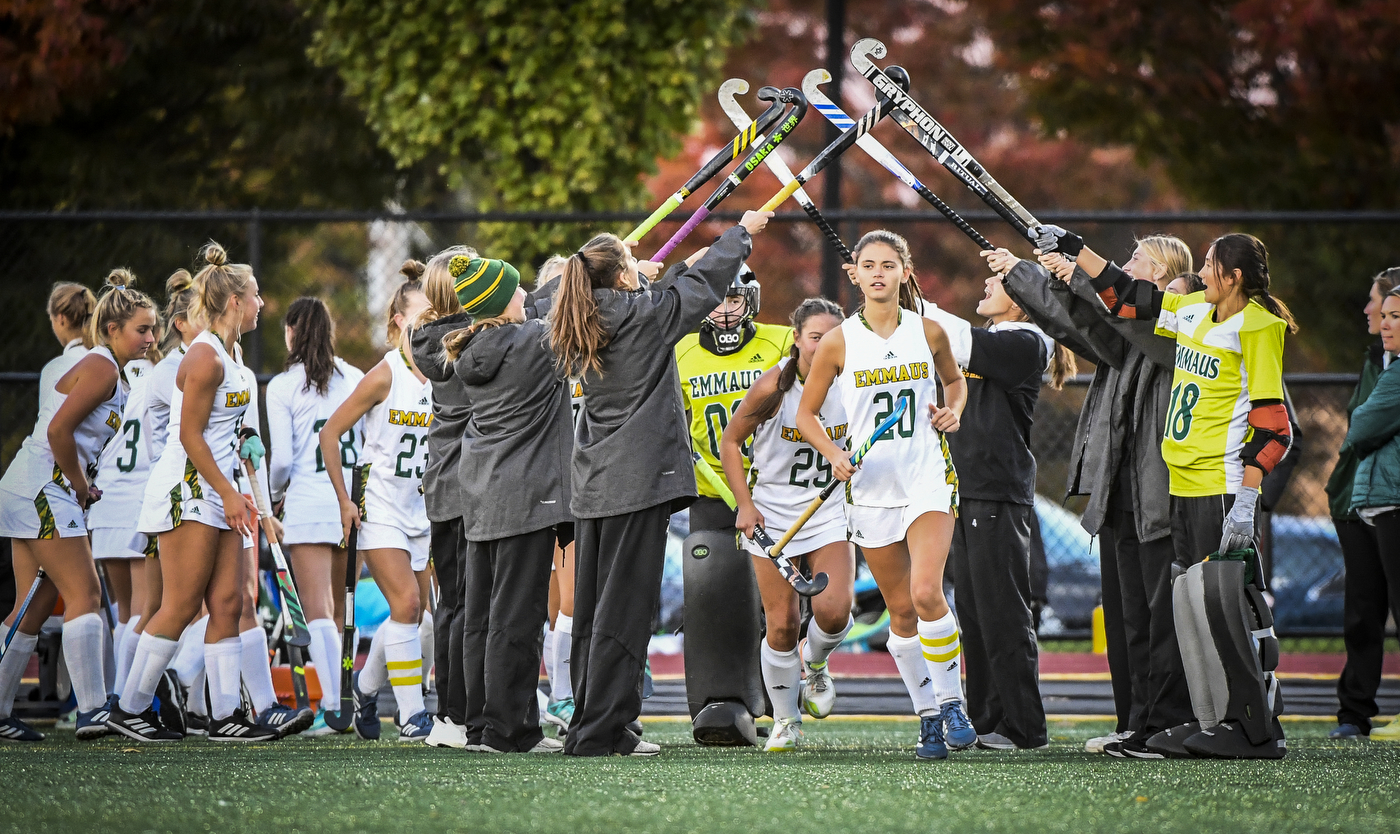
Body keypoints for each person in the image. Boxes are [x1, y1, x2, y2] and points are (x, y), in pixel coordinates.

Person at [1038, 227, 1294, 759]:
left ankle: (1253, 726)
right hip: (1184, 484)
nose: (1201, 271)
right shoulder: (1197, 311)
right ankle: (1209, 720)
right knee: (1189, 613)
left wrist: (1247, 498)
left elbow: (1275, 426)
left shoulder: (1258, 325)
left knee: (1224, 608)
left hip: (1221, 484)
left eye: (1210, 264)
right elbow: (1128, 299)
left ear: (1234, 276)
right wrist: (1074, 246)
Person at [549, 209, 772, 757]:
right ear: (623, 277)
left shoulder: (581, 310)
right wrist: (742, 233)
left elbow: (677, 283)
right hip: (635, 482)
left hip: (596, 484)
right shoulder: (643, 316)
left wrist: (640, 275)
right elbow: (696, 288)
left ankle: (596, 721)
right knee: (625, 611)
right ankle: (604, 731)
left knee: (595, 610)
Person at [994, 235, 1195, 757]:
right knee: (1130, 616)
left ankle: (1162, 724)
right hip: (1120, 491)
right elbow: (1080, 326)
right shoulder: (1125, 330)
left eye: (1134, 261)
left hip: (1159, 493)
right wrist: (1033, 276)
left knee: (1159, 616)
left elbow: (1114, 317)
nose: (1123, 266)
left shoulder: (1173, 324)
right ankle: (1135, 723)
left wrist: (1071, 272)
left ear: (1163, 276)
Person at [796, 230, 972, 761]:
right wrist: (832, 452)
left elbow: (955, 383)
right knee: (900, 614)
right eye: (868, 265)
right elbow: (806, 415)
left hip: (926, 479)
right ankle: (927, 719)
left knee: (925, 593)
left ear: (904, 272)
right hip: (870, 489)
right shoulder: (839, 341)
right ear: (854, 274)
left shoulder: (930, 331)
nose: (877, 273)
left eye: (888, 265)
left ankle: (953, 703)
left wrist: (953, 410)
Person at [109, 243, 275, 743]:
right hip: (189, 491)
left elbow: (225, 431)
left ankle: (225, 715)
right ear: (233, 304)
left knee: (226, 602)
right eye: (256, 295)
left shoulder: (229, 352)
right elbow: (188, 434)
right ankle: (129, 707)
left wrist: (240, 481)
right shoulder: (205, 357)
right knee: (180, 606)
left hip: (217, 490)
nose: (262, 303)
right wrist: (227, 492)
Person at [0, 271, 157, 742]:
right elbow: (56, 432)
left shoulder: (105, 366)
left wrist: (79, 481)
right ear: (112, 329)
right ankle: (93, 710)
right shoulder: (104, 366)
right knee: (86, 594)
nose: (151, 338)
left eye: (152, 328)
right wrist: (78, 485)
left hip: (32, 486)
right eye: (142, 329)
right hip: (42, 488)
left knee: (31, 608)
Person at [941, 259, 1077, 752]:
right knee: (975, 616)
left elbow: (949, 336)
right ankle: (986, 719)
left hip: (997, 493)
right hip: (968, 492)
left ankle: (1024, 728)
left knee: (1004, 615)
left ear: (1020, 299)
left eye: (996, 281)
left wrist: (895, 286)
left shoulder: (1026, 341)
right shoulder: (992, 338)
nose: (984, 283)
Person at [444, 253, 572, 753]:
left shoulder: (477, 344)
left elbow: (539, 305)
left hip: (481, 497)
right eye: (517, 291)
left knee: (481, 618)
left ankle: (481, 725)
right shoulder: (532, 343)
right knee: (518, 620)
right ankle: (508, 731)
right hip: (526, 499)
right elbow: (565, 315)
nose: (526, 296)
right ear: (503, 303)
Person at [719, 297, 852, 752]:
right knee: (781, 624)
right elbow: (731, 441)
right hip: (773, 514)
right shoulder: (773, 385)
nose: (824, 345)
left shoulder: (853, 382)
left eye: (832, 337)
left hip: (828, 510)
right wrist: (744, 505)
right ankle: (786, 719)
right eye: (815, 337)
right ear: (796, 339)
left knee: (835, 610)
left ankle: (814, 666)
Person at [673, 262, 794, 745]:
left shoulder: (781, 341)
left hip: (775, 486)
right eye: (716, 300)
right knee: (715, 587)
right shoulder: (680, 351)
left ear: (752, 300)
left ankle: (789, 683)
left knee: (780, 599)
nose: (724, 312)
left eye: (733, 300)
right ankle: (725, 697)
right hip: (712, 487)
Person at [320, 270, 434, 742]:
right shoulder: (384, 374)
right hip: (381, 506)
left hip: (424, 510)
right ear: (399, 320)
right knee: (405, 604)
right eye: (423, 316)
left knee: (421, 616)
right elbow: (330, 434)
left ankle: (366, 688)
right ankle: (410, 714)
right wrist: (344, 500)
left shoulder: (445, 372)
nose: (431, 324)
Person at [266, 296, 365, 736]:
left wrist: (272, 497)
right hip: (352, 504)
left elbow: (283, 461)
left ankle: (333, 708)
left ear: (291, 332)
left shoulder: (283, 386)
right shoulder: (357, 378)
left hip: (307, 501)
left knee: (318, 610)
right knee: (344, 608)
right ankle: (349, 699)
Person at [408, 251, 472, 748]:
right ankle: (466, 712)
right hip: (471, 482)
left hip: (443, 484)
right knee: (471, 604)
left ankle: (450, 714)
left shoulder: (423, 336)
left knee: (451, 602)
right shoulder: (471, 338)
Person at [88, 301, 161, 702]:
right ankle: (128, 698)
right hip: (138, 499)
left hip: (106, 497)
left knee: (122, 609)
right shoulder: (156, 374)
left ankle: (114, 697)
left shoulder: (99, 371)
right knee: (145, 609)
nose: (149, 339)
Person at [1342, 284, 1400, 741]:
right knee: (1370, 607)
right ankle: (1355, 711)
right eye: (1386, 313)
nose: (1382, 320)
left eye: (1395, 315)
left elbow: (1361, 424)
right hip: (1378, 502)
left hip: (1393, 500)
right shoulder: (1384, 366)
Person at [39, 283, 97, 411]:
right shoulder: (110, 364)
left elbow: (46, 427)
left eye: (51, 319)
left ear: (61, 319)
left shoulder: (54, 369)